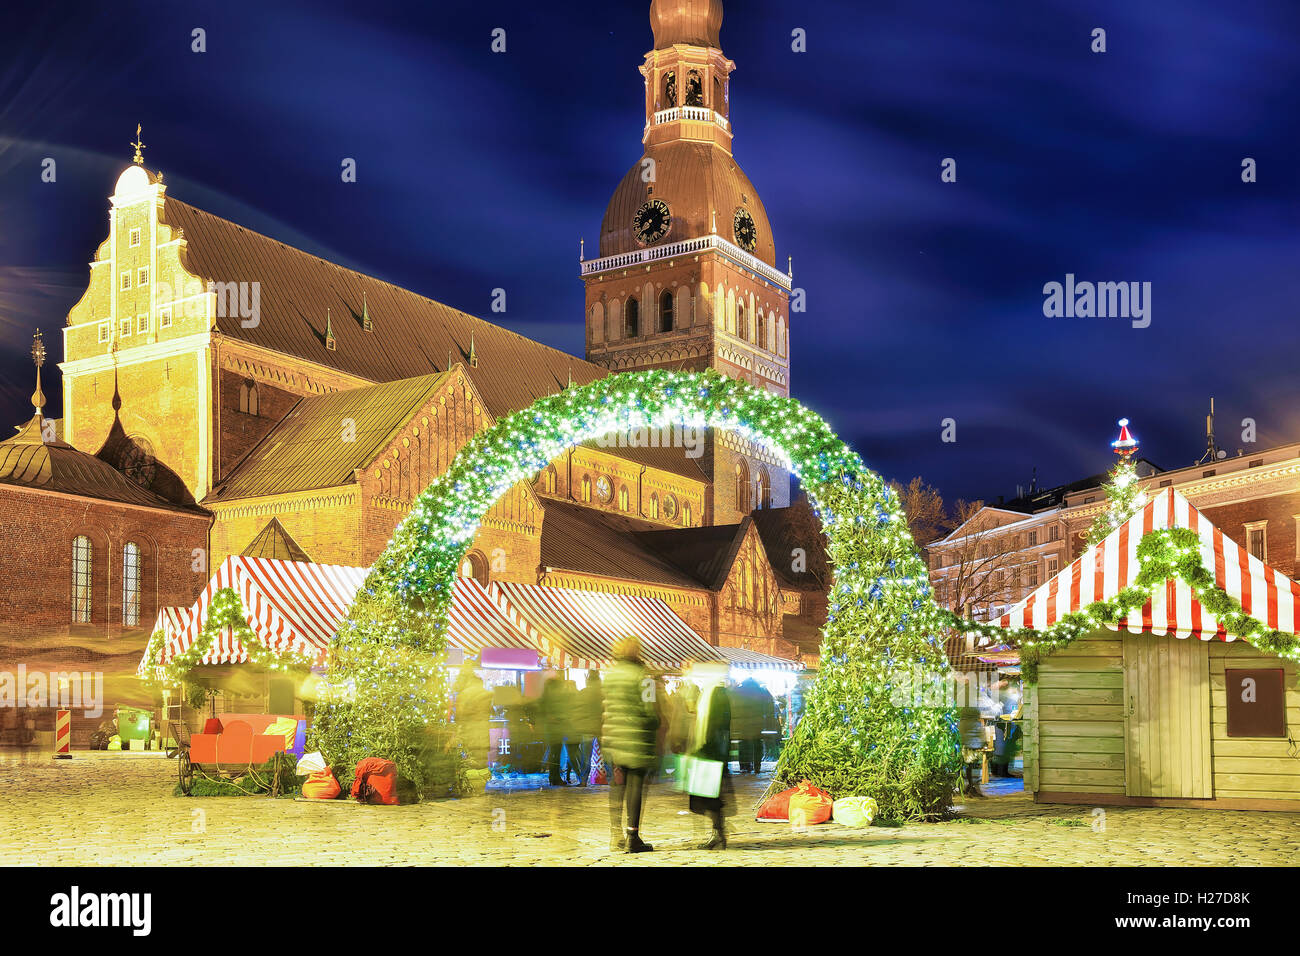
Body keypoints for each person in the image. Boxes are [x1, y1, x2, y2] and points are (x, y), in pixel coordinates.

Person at [601, 637, 660, 853]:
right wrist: (656, 722)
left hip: (613, 739)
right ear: (636, 652)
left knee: (616, 788)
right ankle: (632, 837)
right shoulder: (643, 677)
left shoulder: (609, 675)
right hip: (636, 740)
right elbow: (649, 711)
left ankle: (614, 836)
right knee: (635, 787)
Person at [686, 662, 734, 850]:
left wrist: (708, 749)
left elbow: (717, 726)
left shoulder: (717, 694)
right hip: (708, 750)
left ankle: (719, 833)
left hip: (712, 751)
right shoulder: (709, 692)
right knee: (708, 796)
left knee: (710, 795)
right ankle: (718, 832)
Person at [453, 661, 493, 771]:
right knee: (482, 763)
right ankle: (481, 782)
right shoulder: (487, 693)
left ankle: (474, 784)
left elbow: (458, 716)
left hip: (470, 734)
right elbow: (491, 711)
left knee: (472, 762)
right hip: (483, 733)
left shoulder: (464, 694)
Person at [537, 675, 575, 786]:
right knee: (556, 754)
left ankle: (553, 777)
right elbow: (563, 712)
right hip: (557, 730)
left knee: (553, 753)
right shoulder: (557, 696)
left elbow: (541, 710)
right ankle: (555, 778)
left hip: (549, 730)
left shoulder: (545, 696)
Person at [571, 670, 603, 784]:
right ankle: (613, 779)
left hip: (587, 728)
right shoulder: (603, 694)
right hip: (601, 728)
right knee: (607, 756)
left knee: (586, 757)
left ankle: (583, 780)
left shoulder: (583, 693)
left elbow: (576, 709)